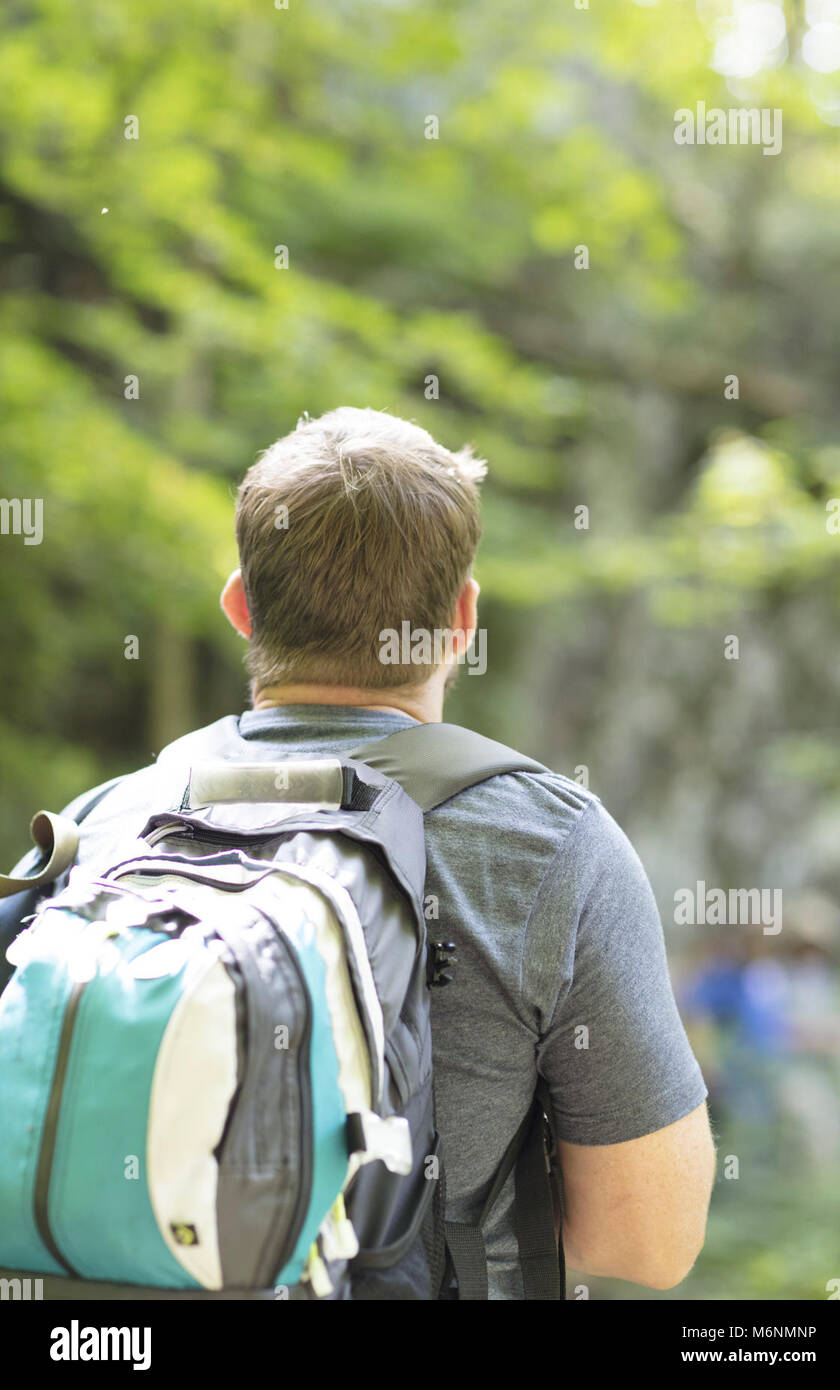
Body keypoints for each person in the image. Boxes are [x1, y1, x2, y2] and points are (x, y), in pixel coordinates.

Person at [3, 407, 716, 1299]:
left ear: (240, 606)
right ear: (461, 619)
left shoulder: (96, 829)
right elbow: (649, 1242)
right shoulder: (553, 847)